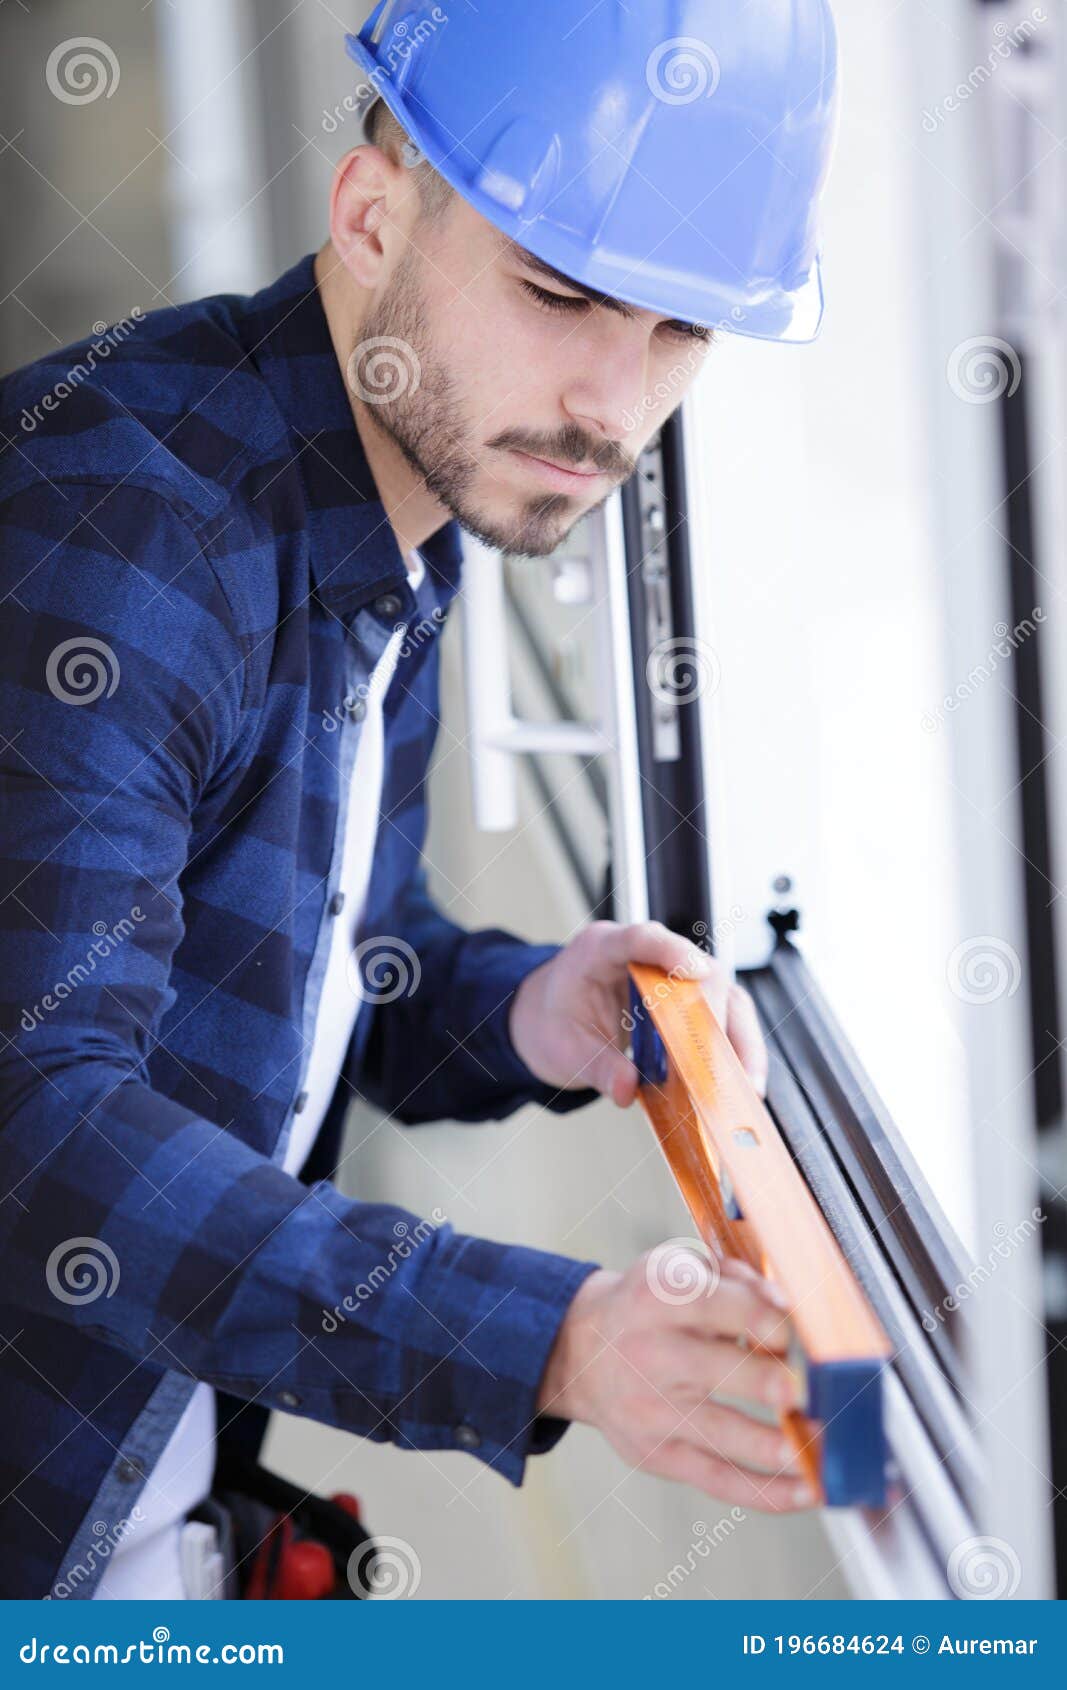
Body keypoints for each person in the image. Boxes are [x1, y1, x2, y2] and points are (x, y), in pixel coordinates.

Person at [0, 0, 840, 1598]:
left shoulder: (408, 517)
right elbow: (42, 1132)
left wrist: (535, 1009)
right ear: (373, 217)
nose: (613, 407)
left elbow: (315, 979)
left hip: (150, 1511)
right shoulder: (127, 532)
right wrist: (559, 1341)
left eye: (678, 332)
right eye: (558, 294)